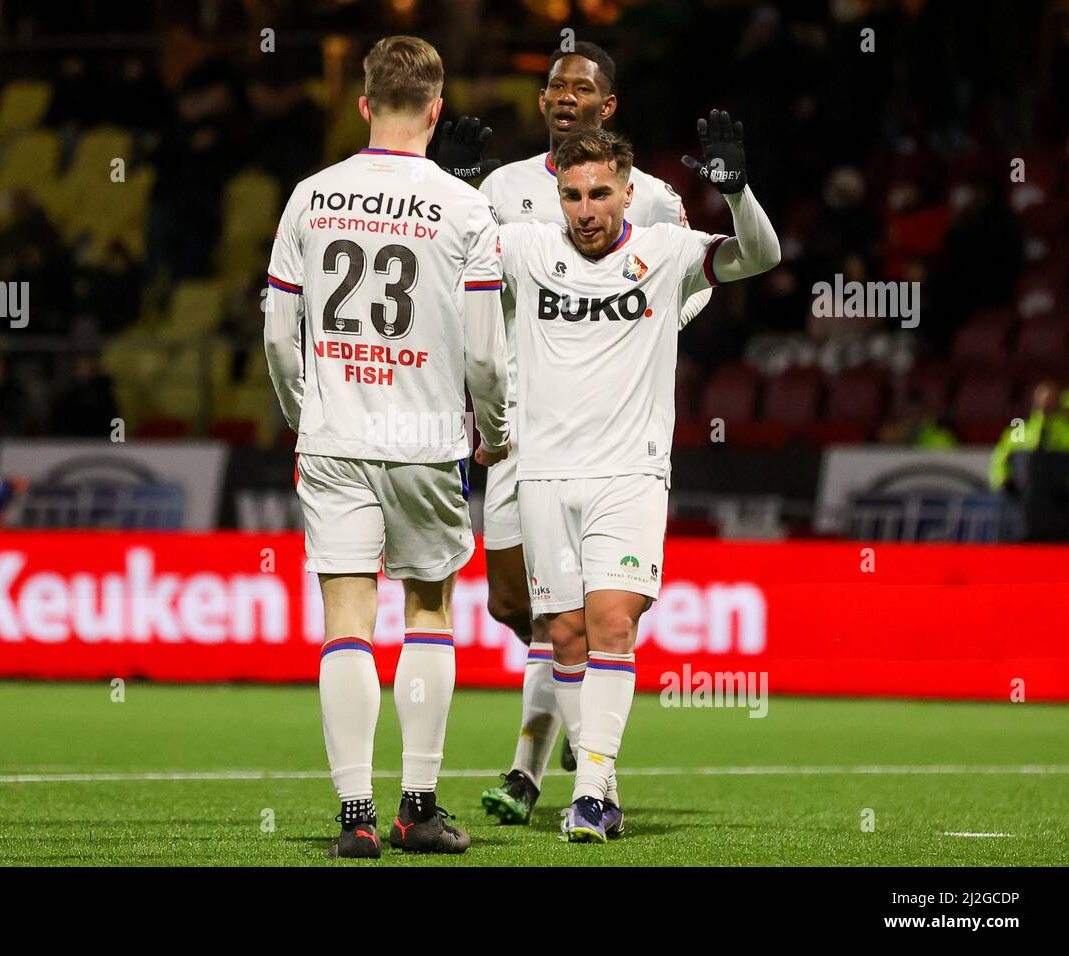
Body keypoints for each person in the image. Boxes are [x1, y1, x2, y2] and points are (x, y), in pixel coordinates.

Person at [496, 122, 779, 842]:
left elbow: (762, 255)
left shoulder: (665, 252)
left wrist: (737, 193)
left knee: (611, 624)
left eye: (599, 194)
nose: (585, 210)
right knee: (562, 637)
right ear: (556, 195)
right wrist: (464, 188)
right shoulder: (526, 250)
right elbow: (446, 264)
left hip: (629, 475)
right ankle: (595, 778)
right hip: (544, 475)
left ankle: (589, 794)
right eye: (571, 195)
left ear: (628, 191)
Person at [263, 36, 510, 859]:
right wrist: (496, 428)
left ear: (362, 103)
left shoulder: (309, 195)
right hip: (425, 440)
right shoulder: (465, 208)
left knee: (345, 621)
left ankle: (353, 820)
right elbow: (482, 350)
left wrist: (307, 414)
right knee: (429, 611)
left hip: (336, 433)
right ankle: (419, 810)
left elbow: (276, 333)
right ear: (437, 110)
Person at [469, 42, 712, 830]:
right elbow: (465, 281)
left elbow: (686, 284)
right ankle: (584, 728)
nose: (563, 97)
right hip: (514, 427)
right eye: (553, 86)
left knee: (574, 621)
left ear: (609, 107)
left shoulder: (655, 200)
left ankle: (538, 772)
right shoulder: (503, 188)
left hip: (604, 431)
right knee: (516, 607)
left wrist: (646, 328)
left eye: (582, 88)